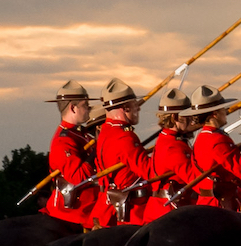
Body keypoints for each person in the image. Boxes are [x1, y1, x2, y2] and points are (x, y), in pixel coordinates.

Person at [91, 79, 153, 227]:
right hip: (133, 211)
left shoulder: (106, 130)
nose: (138, 109)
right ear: (125, 108)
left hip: (109, 204)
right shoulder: (125, 137)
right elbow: (149, 171)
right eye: (135, 105)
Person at [41, 81, 99, 224]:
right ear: (73, 108)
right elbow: (77, 178)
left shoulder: (79, 134)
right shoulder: (63, 141)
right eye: (85, 105)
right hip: (75, 212)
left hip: (91, 205)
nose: (89, 108)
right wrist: (96, 151)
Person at [186, 87, 241, 208]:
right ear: (215, 114)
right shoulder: (218, 140)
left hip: (207, 202)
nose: (226, 111)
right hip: (221, 204)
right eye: (223, 109)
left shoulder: (202, 137)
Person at [137, 88, 200, 220]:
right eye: (186, 116)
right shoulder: (173, 146)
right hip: (169, 211)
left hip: (166, 207)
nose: (191, 120)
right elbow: (193, 179)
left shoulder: (168, 139)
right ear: (174, 117)